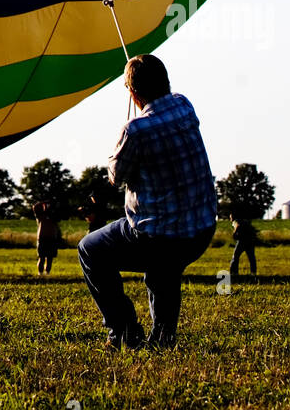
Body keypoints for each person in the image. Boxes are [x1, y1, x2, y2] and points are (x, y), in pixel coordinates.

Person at [77, 54, 216, 350]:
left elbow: (116, 176)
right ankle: (163, 338)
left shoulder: (135, 131)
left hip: (158, 234)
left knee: (90, 249)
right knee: (163, 270)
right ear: (166, 82)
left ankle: (124, 331)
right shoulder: (184, 105)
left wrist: (126, 133)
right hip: (201, 229)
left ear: (133, 93)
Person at [32, 200, 60, 275]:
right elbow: (35, 207)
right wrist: (42, 203)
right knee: (42, 257)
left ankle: (47, 273)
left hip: (51, 238)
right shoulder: (40, 215)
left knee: (50, 258)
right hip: (43, 238)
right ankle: (40, 273)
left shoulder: (54, 216)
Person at [229, 213, 258, 277]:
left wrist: (234, 233)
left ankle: (233, 272)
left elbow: (238, 225)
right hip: (250, 240)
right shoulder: (244, 221)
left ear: (233, 217)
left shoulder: (235, 221)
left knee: (235, 256)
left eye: (230, 217)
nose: (230, 219)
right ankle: (253, 272)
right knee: (251, 258)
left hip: (242, 241)